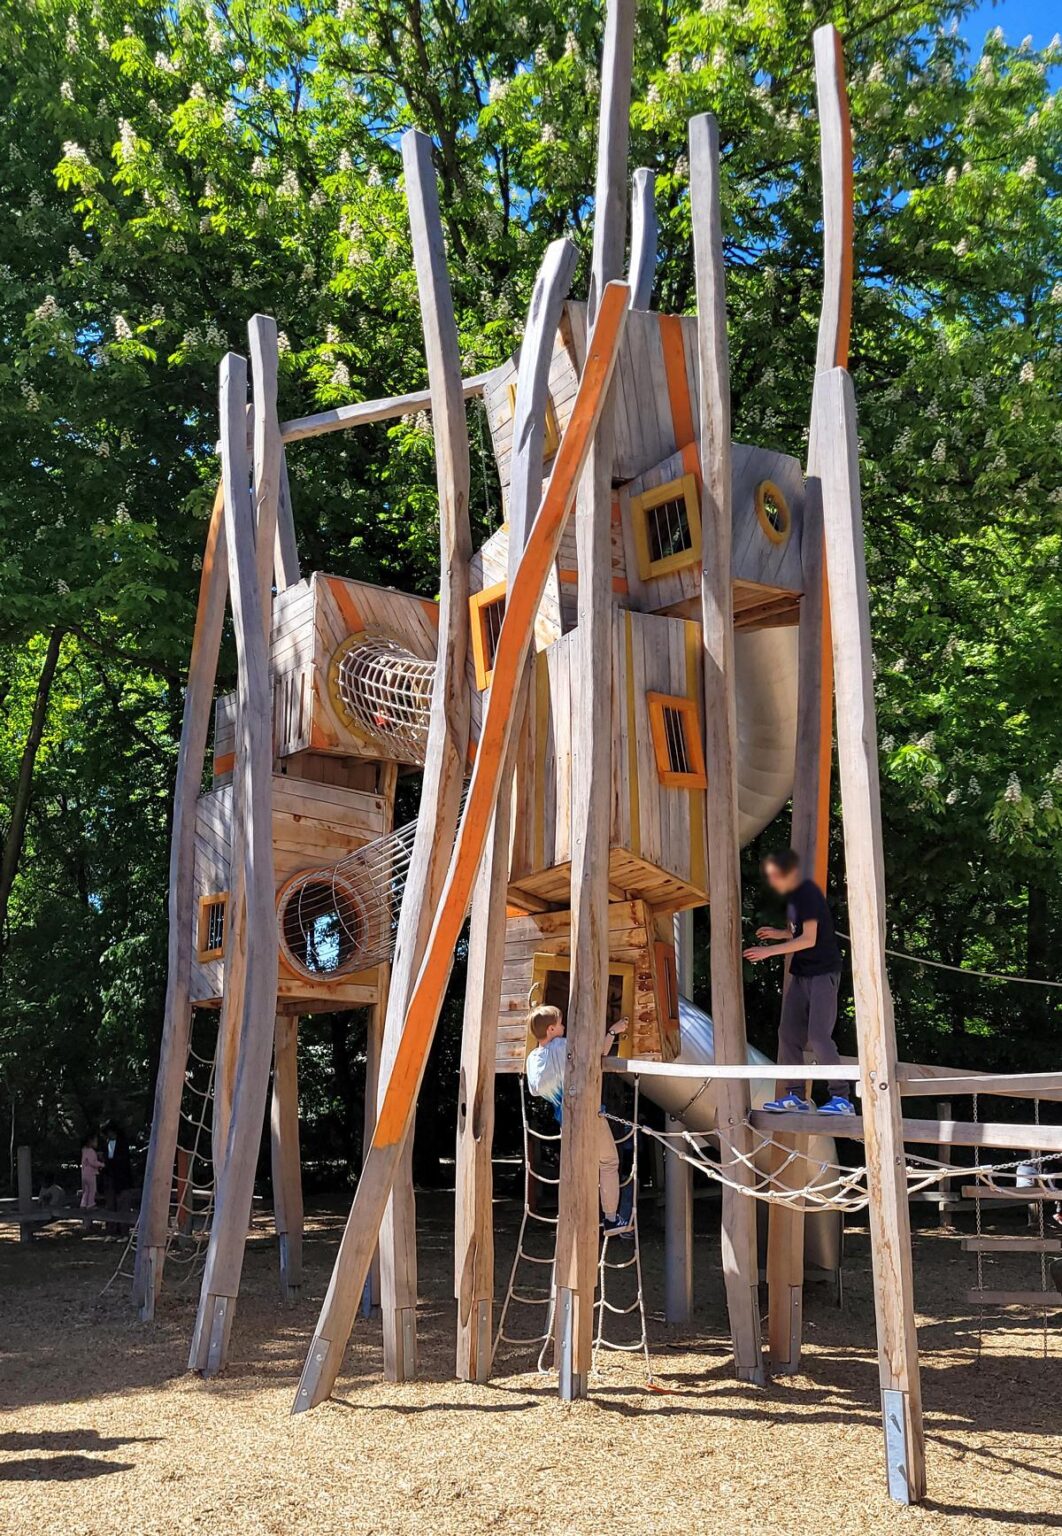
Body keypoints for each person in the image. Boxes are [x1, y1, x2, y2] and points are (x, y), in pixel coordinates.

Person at [743, 848, 854, 1116]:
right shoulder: (793, 900)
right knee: (788, 1033)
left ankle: (842, 1099)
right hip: (802, 973)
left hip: (822, 972)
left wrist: (768, 951)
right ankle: (795, 1095)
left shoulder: (808, 894)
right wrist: (779, 933)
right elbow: (798, 931)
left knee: (818, 1035)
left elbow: (809, 939)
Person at [525, 1003, 630, 1233]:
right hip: (588, 1113)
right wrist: (613, 1030)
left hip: (565, 1121)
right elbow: (598, 1053)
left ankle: (576, 1217)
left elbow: (534, 1089)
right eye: (560, 1022)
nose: (563, 1026)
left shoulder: (532, 1059)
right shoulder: (563, 1047)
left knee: (579, 1168)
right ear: (551, 1029)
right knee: (609, 1163)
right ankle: (611, 1218)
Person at [80, 1133, 104, 1209]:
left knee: (86, 1190)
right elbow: (93, 1162)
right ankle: (91, 1204)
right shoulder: (91, 1151)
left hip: (84, 1174)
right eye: (95, 1141)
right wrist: (101, 1164)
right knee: (92, 1189)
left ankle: (83, 1204)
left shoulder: (84, 1150)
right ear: (90, 1142)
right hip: (90, 1174)